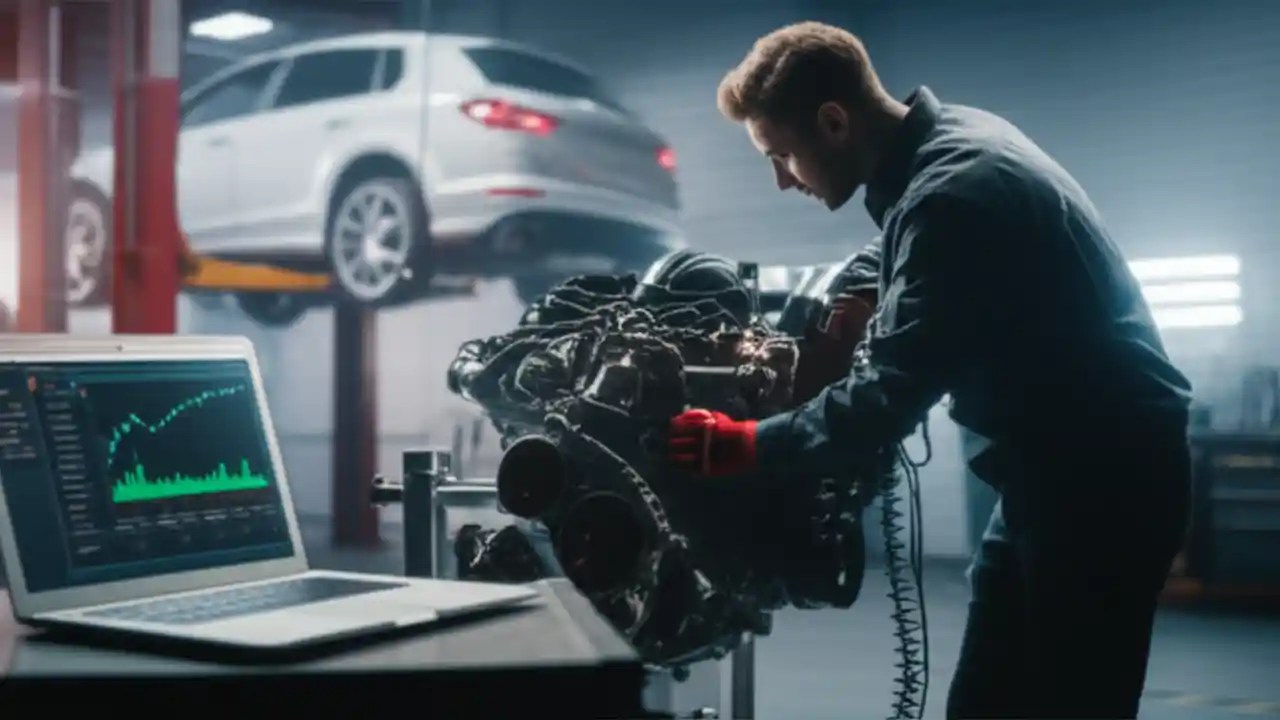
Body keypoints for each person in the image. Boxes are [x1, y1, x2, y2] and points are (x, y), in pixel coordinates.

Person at [668, 21, 1194, 720]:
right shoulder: (954, 143)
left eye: (782, 155)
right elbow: (905, 243)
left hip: (1101, 486)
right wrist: (857, 290)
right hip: (1055, 475)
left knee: (1075, 700)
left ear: (833, 122)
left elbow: (886, 398)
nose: (780, 179)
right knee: (986, 699)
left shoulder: (955, 195)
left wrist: (742, 445)